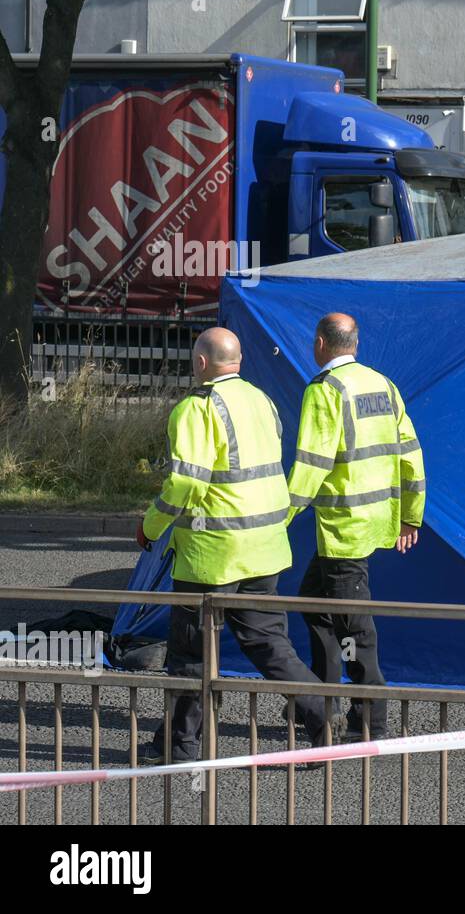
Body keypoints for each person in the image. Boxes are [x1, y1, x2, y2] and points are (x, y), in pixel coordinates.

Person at [137, 327, 330, 764]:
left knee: (191, 654)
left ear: (201, 363)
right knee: (270, 646)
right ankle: (322, 717)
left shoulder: (195, 408)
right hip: (265, 547)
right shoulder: (261, 401)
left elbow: (187, 480)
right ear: (238, 361)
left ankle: (180, 747)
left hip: (212, 555)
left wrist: (151, 526)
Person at [286, 313, 425, 741]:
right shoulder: (383, 385)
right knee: (315, 604)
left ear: (319, 345)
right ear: (356, 345)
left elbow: (312, 464)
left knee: (355, 628)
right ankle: (321, 703)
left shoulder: (325, 391)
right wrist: (409, 515)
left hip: (343, 528)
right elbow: (410, 453)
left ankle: (370, 722)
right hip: (373, 520)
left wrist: (279, 516)